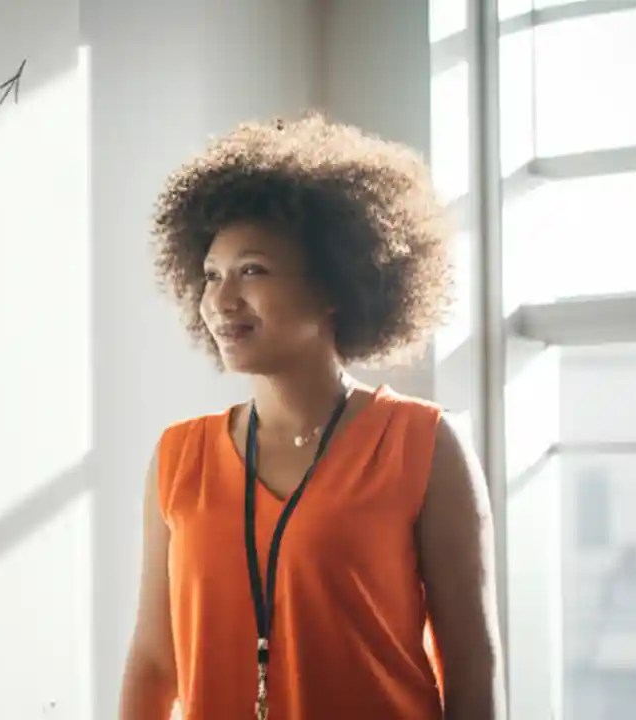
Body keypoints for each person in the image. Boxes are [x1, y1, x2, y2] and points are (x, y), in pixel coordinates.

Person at [118, 113, 504, 720]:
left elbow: (472, 663)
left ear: (332, 287)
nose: (221, 301)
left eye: (253, 271)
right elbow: (154, 660)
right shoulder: (179, 457)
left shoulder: (423, 444)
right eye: (212, 276)